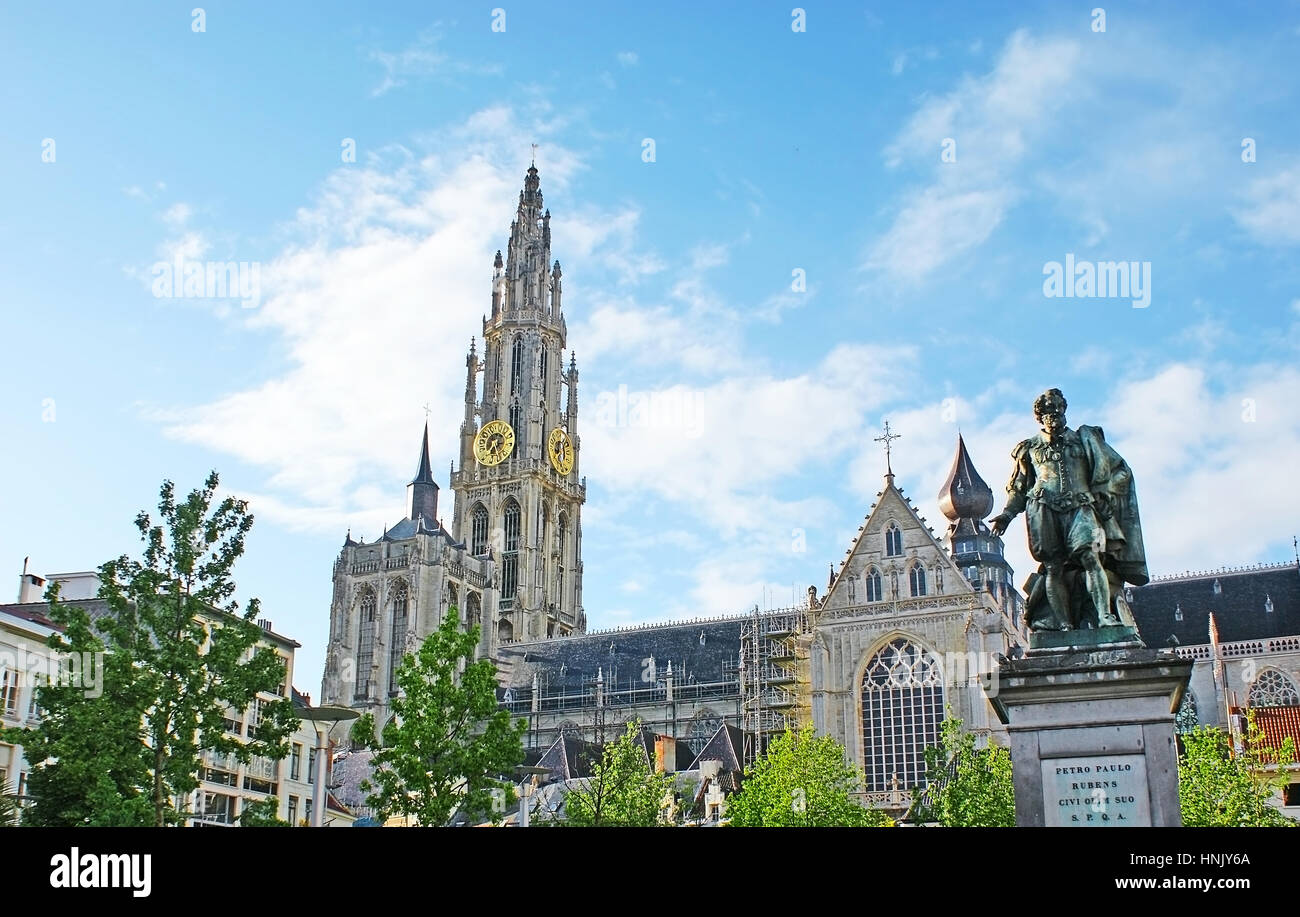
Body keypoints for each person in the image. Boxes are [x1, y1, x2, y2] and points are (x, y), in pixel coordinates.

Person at [989, 388, 1148, 631]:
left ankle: (1105, 615)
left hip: (1081, 506)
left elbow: (1120, 470)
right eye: (1047, 413)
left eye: (1057, 411)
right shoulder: (1028, 448)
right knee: (1053, 567)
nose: (1053, 417)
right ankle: (1063, 625)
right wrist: (1007, 514)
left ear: (1064, 412)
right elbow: (1019, 488)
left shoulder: (1085, 440)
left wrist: (1104, 492)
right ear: (1040, 418)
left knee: (1090, 558)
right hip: (1042, 509)